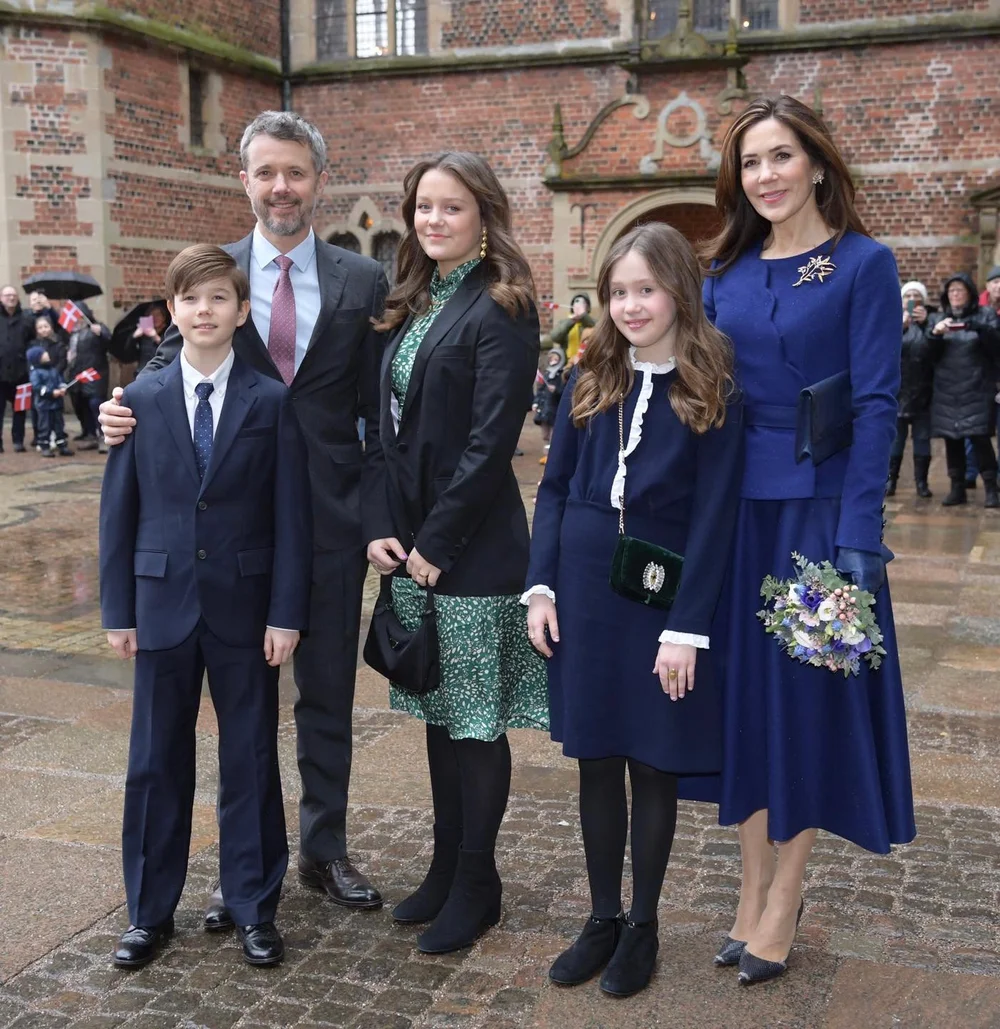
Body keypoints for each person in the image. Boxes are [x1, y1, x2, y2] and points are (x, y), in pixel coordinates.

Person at [99, 111, 388, 920]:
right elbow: (160, 369)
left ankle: (323, 850)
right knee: (237, 714)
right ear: (245, 180)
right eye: (266, 172)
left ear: (319, 181)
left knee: (326, 692)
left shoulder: (360, 281)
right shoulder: (215, 270)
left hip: (326, 522)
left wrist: (378, 515)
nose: (281, 187)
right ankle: (239, 869)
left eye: (295, 172)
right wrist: (112, 415)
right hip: (226, 535)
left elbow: (378, 417)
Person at [701, 94, 916, 985]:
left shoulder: (863, 264)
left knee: (805, 710)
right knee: (744, 712)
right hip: (735, 518)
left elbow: (875, 405)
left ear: (818, 163)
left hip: (818, 523)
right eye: (751, 163)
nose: (766, 176)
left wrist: (857, 531)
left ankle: (785, 898)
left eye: (781, 157)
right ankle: (750, 892)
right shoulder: (723, 268)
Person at [525, 223, 743, 997]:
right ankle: (601, 917)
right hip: (582, 590)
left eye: (645, 289)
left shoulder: (711, 381)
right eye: (618, 292)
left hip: (661, 596)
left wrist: (687, 626)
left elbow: (718, 516)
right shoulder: (593, 374)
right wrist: (541, 585)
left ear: (680, 289)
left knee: (652, 759)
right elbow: (552, 490)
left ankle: (643, 923)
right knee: (595, 756)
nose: (629, 305)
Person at [99, 244, 312, 970]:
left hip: (245, 609)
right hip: (160, 602)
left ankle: (253, 903)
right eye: (190, 299)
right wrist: (116, 609)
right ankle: (148, 911)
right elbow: (118, 512)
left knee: (250, 756)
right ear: (171, 312)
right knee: (156, 760)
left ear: (241, 310)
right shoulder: (138, 403)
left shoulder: (271, 402)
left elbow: (292, 519)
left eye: (219, 298)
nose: (204, 311)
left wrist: (286, 614)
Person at [365, 151, 548, 955]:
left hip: (470, 549)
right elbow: (385, 431)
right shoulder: (415, 298)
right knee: (439, 712)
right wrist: (384, 525)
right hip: (411, 548)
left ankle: (479, 882)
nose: (433, 221)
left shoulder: (501, 303)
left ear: (484, 214)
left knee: (474, 722)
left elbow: (490, 441)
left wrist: (437, 543)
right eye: (423, 208)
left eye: (451, 207)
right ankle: (444, 868)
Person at [926, 273, 1000, 508]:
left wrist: (977, 327)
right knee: (952, 440)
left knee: (980, 439)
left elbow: (996, 347)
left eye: (960, 290)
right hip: (948, 389)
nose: (956, 294)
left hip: (977, 387)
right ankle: (956, 488)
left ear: (969, 293)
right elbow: (927, 357)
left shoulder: (985, 315)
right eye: (951, 291)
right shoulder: (938, 318)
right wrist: (934, 334)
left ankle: (991, 488)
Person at [889, 281, 934, 498]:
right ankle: (891, 482)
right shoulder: (892, 321)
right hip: (898, 391)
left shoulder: (932, 322)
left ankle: (921, 483)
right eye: (908, 296)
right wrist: (899, 328)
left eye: (917, 296)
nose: (912, 299)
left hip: (923, 393)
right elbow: (884, 351)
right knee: (895, 441)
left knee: (922, 441)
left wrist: (927, 326)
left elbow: (936, 351)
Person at [65, 300, 112, 451]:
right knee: (80, 404)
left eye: (79, 316)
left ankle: (103, 436)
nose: (76, 320)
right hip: (76, 374)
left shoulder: (96, 328)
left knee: (95, 403)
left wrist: (102, 333)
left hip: (95, 373)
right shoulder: (72, 334)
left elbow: (111, 342)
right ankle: (88, 433)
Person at [26, 345, 72, 457]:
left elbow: (60, 380)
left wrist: (62, 387)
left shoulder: (53, 370)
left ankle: (62, 445)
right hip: (44, 405)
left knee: (59, 426)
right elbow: (37, 387)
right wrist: (51, 392)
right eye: (43, 354)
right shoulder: (36, 372)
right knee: (44, 426)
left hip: (56, 404)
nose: (47, 354)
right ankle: (44, 446)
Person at [0, 284, 30, 453]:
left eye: (13, 295)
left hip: (21, 374)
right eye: (7, 295)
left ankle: (18, 440)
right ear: (1, 298)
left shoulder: (26, 318)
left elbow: (34, 341)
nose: (11, 298)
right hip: (0, 374)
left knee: (20, 410)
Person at [544, 293, 594, 362]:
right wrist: (572, 321)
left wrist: (584, 316)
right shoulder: (564, 322)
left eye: (583, 304)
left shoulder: (592, 322)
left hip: (586, 362)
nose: (579, 306)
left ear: (588, 307)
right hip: (566, 362)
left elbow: (599, 332)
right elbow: (554, 337)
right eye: (576, 302)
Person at [132, 302, 171, 372]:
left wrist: (156, 337)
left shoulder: (168, 332)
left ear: (164, 317)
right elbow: (128, 353)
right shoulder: (143, 335)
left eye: (158, 315)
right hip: (142, 372)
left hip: (161, 373)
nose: (155, 318)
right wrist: (134, 337)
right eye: (152, 315)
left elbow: (169, 352)